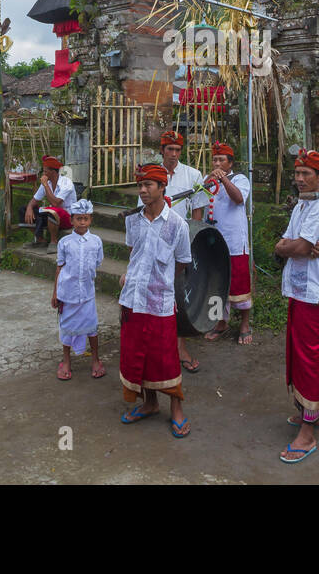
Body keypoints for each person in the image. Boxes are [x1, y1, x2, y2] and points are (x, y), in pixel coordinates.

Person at [118, 163, 192, 438]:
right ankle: (149, 403)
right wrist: (132, 277)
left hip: (160, 303)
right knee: (138, 355)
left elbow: (182, 262)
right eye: (140, 185)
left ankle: (176, 409)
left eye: (148, 185)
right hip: (133, 300)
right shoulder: (132, 220)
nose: (142, 190)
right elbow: (133, 254)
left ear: (163, 188)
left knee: (166, 358)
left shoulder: (177, 225)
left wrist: (159, 280)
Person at [273, 149, 319, 464]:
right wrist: (291, 246)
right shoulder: (302, 204)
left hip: (315, 291)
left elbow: (297, 245)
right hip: (299, 289)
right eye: (297, 174)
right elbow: (286, 244)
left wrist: (293, 246)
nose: (299, 179)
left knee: (310, 357)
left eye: (306, 174)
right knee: (298, 354)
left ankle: (308, 436)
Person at [160, 130, 206, 373]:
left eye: (178, 150)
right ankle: (162, 344)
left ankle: (181, 346)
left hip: (182, 241)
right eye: (170, 149)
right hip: (158, 241)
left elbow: (197, 210)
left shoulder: (193, 174)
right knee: (158, 292)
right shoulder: (152, 173)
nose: (174, 154)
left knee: (180, 293)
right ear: (163, 150)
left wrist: (193, 240)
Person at [202, 142, 253, 345]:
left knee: (239, 283)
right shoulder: (209, 180)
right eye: (215, 159)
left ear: (230, 163)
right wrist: (211, 179)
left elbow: (239, 199)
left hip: (234, 241)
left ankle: (244, 324)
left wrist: (223, 179)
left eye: (221, 159)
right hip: (214, 241)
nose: (217, 163)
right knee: (216, 283)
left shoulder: (240, 179)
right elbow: (200, 199)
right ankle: (220, 322)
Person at [52, 198, 106, 380]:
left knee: (92, 327)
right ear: (72, 220)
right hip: (67, 294)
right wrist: (55, 293)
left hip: (87, 294)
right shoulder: (65, 242)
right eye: (78, 218)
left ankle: (96, 359)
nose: (82, 222)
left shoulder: (96, 241)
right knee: (67, 327)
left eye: (86, 218)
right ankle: (66, 360)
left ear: (90, 220)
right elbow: (60, 267)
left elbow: (97, 262)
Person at [23, 155, 76, 249]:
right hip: (52, 214)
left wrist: (46, 186)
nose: (43, 174)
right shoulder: (47, 182)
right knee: (23, 210)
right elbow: (34, 200)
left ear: (53, 172)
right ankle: (40, 240)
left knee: (52, 210)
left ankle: (53, 242)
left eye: (45, 171)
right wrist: (29, 208)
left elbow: (56, 203)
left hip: (68, 217)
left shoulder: (66, 182)